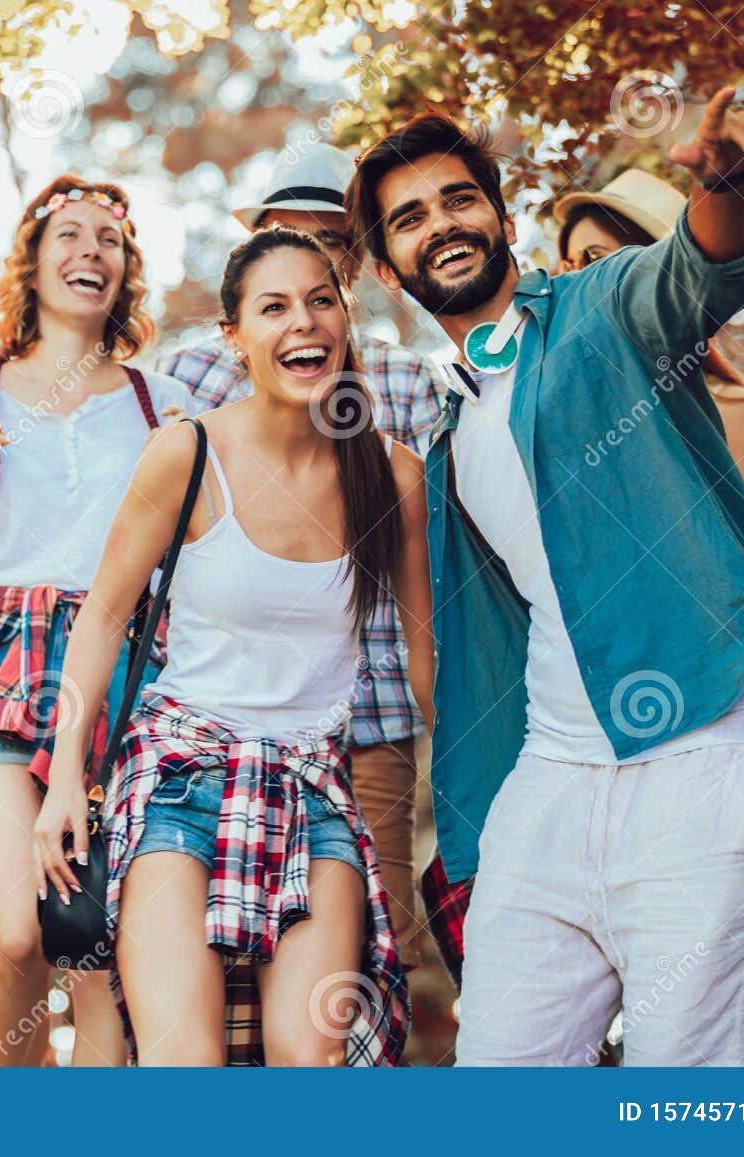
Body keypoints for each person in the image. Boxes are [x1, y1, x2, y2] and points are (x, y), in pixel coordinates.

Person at [347, 86, 744, 1065]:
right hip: (548, 783)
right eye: (409, 218)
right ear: (392, 264)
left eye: (456, 198)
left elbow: (701, 268)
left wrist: (722, 186)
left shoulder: (597, 310)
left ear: (498, 210)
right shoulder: (445, 433)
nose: (439, 224)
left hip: (700, 752)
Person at [35, 226, 435, 1065]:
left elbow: (427, 655)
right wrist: (65, 773)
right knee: (186, 1065)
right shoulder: (187, 453)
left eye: (321, 301)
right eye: (275, 306)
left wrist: (483, 793)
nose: (305, 323)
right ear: (236, 335)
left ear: (346, 317)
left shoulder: (389, 475)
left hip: (311, 787)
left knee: (310, 1056)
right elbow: (105, 614)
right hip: (178, 778)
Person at [0, 176, 194, 1067]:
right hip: (2, 659)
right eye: (70, 236)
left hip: (125, 660)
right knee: (18, 931)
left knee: (94, 941)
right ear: (33, 260)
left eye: (110, 241)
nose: (90, 253)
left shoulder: (158, 402)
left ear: (127, 273)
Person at [159, 144, 448, 983]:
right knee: (209, 962)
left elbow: (440, 560)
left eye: (335, 241)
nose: (316, 254)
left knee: (366, 954)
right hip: (216, 728)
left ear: (356, 263)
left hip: (370, 719)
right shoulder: (191, 377)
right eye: (294, 234)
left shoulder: (407, 385)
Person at [553, 167, 744, 552]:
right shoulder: (549, 402)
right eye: (567, 265)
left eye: (595, 259)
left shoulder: (732, 408)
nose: (575, 280)